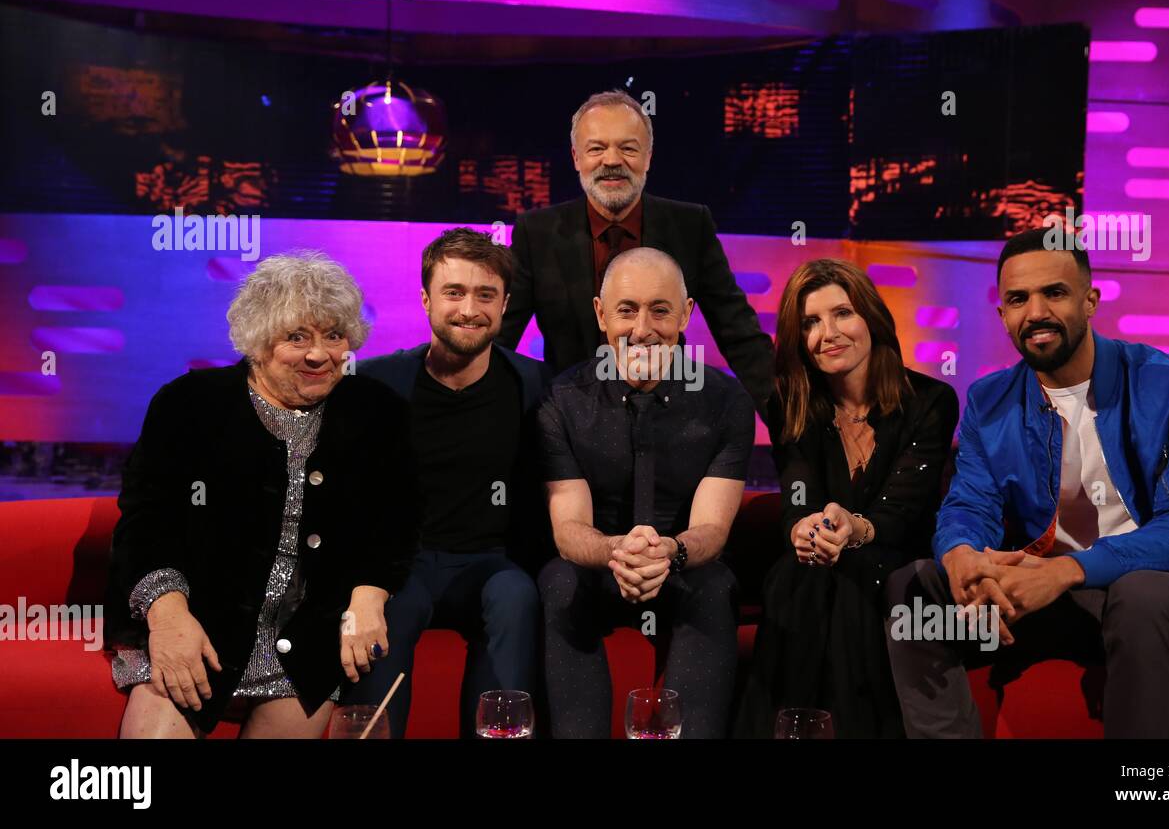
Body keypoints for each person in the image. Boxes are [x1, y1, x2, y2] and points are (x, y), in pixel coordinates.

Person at [884, 227, 1169, 739]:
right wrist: (961, 554)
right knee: (913, 587)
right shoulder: (989, 400)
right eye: (1018, 299)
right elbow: (969, 504)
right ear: (1002, 315)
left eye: (1055, 293)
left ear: (1090, 301)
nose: (1035, 312)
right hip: (1056, 604)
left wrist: (1064, 570)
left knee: (1141, 595)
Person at [106, 252, 418, 738]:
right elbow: (145, 524)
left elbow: (396, 523)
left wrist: (368, 594)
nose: (319, 354)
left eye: (334, 336)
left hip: (304, 643)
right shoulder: (189, 404)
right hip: (196, 626)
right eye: (297, 337)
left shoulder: (378, 413)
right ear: (257, 341)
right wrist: (167, 619)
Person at [734, 259, 958, 738]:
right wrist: (804, 528)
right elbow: (798, 492)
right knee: (801, 575)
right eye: (811, 323)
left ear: (871, 318)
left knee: (852, 578)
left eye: (841, 314)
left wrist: (855, 529)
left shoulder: (931, 401)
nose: (827, 333)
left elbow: (904, 510)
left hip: (897, 559)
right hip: (820, 566)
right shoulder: (791, 402)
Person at [536, 246, 754, 738]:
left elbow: (712, 529)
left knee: (716, 584)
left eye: (660, 310)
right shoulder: (562, 400)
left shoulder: (726, 401)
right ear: (600, 314)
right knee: (559, 580)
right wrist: (618, 550)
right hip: (597, 567)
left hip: (682, 565)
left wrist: (668, 552)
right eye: (626, 310)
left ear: (686, 314)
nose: (642, 329)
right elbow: (569, 527)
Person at [343, 227, 551, 738]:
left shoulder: (537, 386)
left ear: (505, 305)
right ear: (425, 299)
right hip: (401, 564)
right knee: (389, 606)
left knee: (516, 595)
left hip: (492, 563)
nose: (469, 309)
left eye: (486, 295)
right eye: (453, 292)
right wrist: (359, 590)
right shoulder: (375, 384)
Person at [500, 89, 774, 416]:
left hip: (669, 419)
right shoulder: (537, 232)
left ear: (648, 157)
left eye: (628, 148)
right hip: (569, 423)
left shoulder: (690, 225)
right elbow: (500, 340)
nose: (612, 161)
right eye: (597, 148)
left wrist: (793, 431)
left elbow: (739, 334)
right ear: (576, 158)